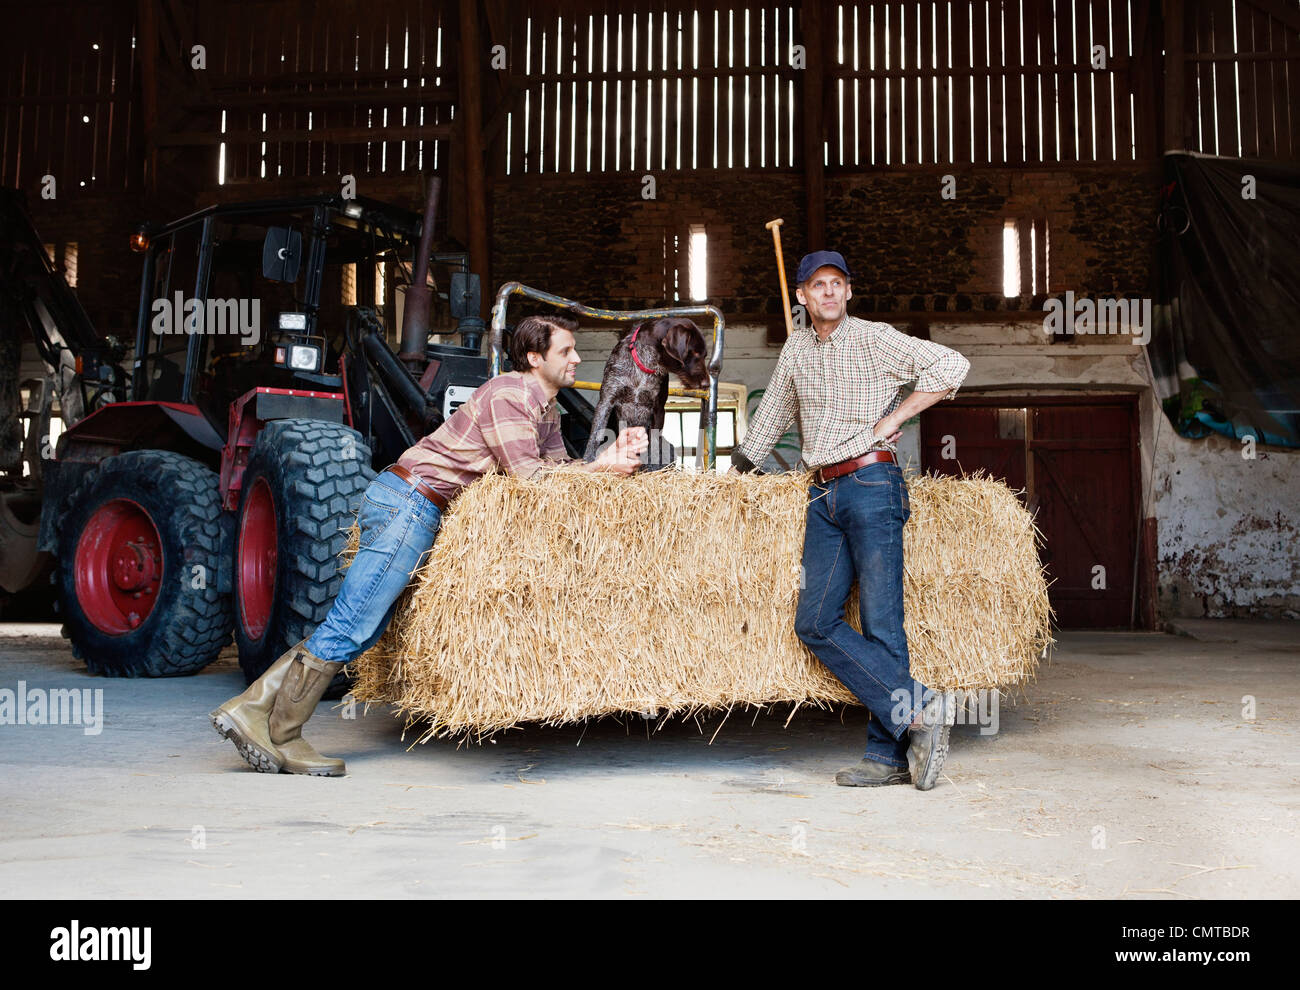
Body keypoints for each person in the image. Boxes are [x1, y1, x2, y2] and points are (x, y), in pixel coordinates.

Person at [211, 314, 648, 776]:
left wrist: (606, 463)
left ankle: (265, 722)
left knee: (363, 626)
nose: (577, 358)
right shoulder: (509, 394)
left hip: (419, 507)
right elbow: (530, 480)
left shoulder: (548, 410)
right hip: (408, 502)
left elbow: (559, 479)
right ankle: (270, 724)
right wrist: (602, 466)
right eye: (566, 351)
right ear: (536, 357)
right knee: (353, 624)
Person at [731, 251, 971, 790]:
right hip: (822, 493)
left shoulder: (873, 337)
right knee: (814, 621)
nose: (830, 293)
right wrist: (731, 477)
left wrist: (897, 415)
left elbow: (953, 366)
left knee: (883, 623)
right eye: (818, 285)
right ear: (802, 295)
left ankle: (885, 757)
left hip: (870, 482)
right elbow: (770, 416)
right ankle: (919, 706)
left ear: (849, 292)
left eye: (838, 284)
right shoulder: (795, 348)